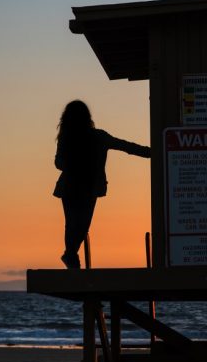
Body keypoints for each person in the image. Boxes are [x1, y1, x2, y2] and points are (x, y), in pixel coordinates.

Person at [53, 100, 151, 268]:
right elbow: (127, 146)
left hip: (82, 187)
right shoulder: (84, 137)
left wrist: (150, 152)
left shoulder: (95, 137)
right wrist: (151, 152)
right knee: (79, 224)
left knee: (77, 224)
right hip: (77, 187)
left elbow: (125, 146)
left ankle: (70, 255)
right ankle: (71, 256)